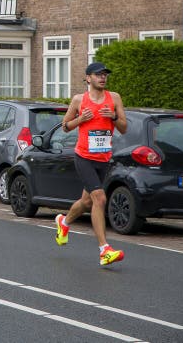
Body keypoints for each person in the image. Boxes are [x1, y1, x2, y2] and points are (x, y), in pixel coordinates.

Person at [56, 62, 128, 266]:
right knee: (99, 198)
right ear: (88, 78)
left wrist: (113, 117)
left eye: (105, 75)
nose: (103, 78)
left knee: (87, 202)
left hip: (103, 159)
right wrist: (81, 119)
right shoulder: (79, 100)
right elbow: (65, 126)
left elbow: (124, 128)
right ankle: (104, 250)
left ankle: (64, 222)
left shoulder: (114, 98)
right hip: (84, 157)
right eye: (98, 75)